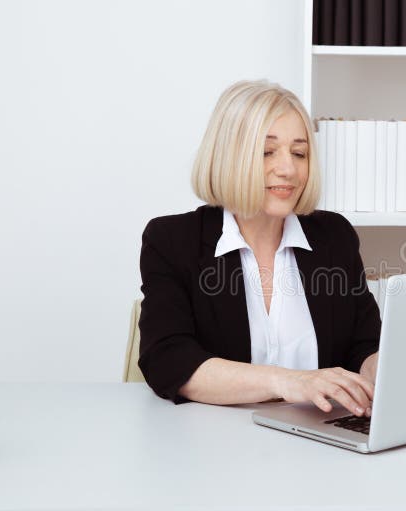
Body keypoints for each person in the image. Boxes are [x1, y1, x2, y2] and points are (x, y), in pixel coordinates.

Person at [138, 79, 380, 418]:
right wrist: (288, 382)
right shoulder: (173, 239)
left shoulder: (333, 235)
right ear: (228, 157)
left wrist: (377, 370)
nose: (288, 169)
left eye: (299, 153)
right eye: (267, 152)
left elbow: (365, 345)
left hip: (320, 445)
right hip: (213, 449)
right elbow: (168, 359)